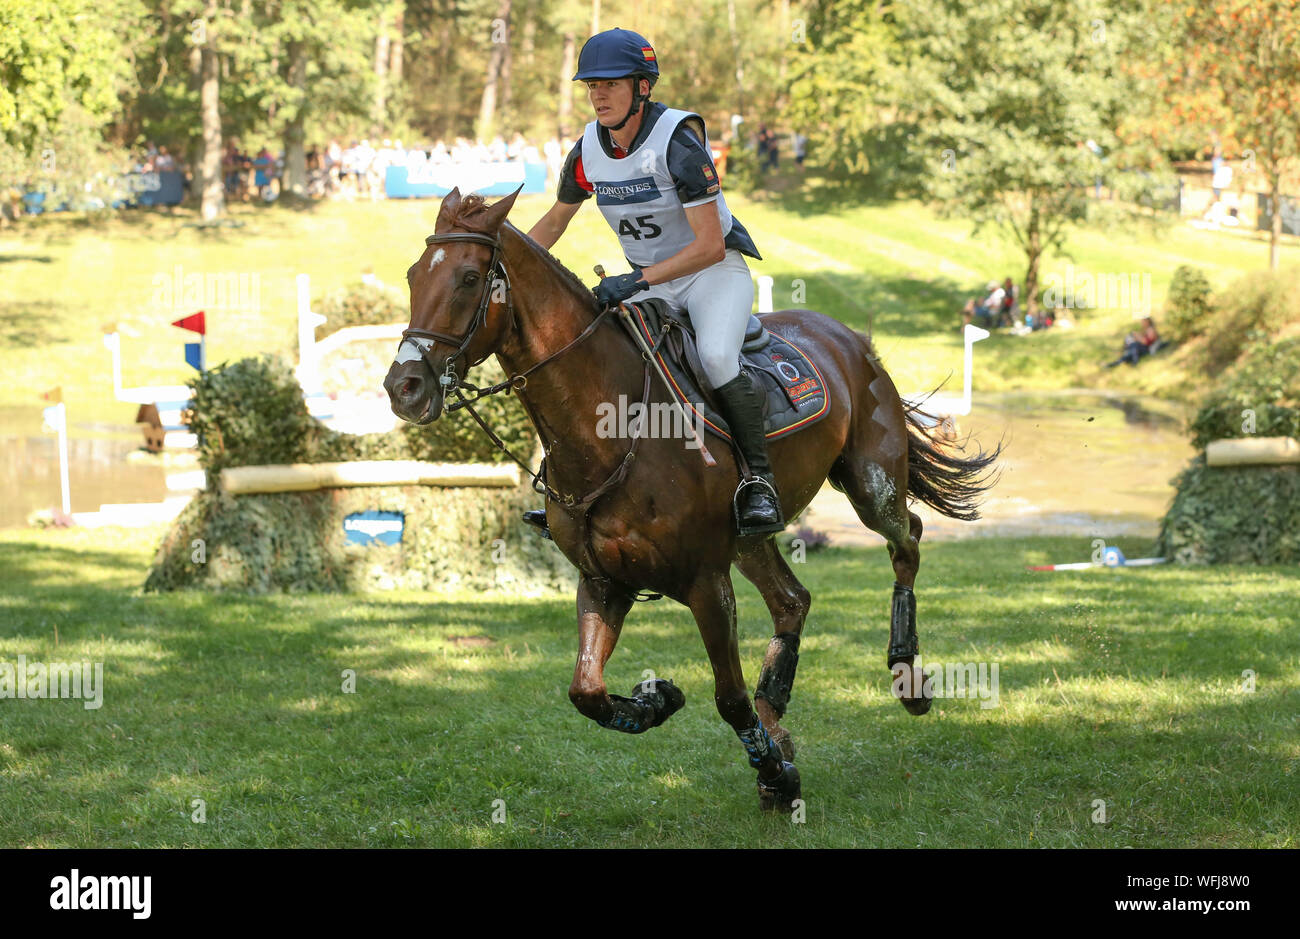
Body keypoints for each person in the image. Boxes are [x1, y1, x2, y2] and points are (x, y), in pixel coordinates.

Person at [520, 27, 780, 539]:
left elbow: (707, 245)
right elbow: (554, 222)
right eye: (591, 85)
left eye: (610, 84)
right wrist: (508, 265)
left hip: (710, 273)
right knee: (589, 354)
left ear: (642, 88)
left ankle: (759, 483)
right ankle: (575, 489)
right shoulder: (586, 152)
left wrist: (635, 280)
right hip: (648, 283)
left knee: (718, 358)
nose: (598, 95)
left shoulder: (678, 142)